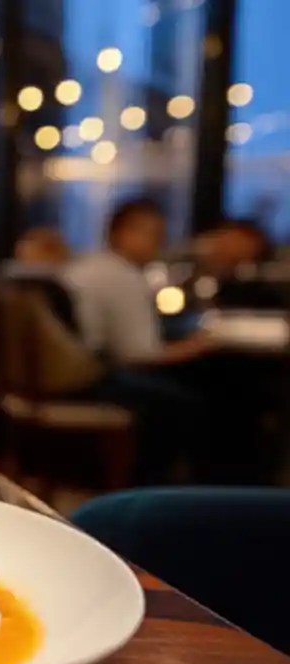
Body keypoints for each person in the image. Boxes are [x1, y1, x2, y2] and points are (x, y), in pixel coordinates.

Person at [63, 198, 210, 483]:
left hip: (65, 376)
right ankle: (153, 488)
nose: (158, 244)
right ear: (119, 233)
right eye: (152, 234)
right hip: (91, 379)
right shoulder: (122, 276)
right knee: (188, 405)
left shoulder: (84, 267)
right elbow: (138, 354)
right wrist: (198, 346)